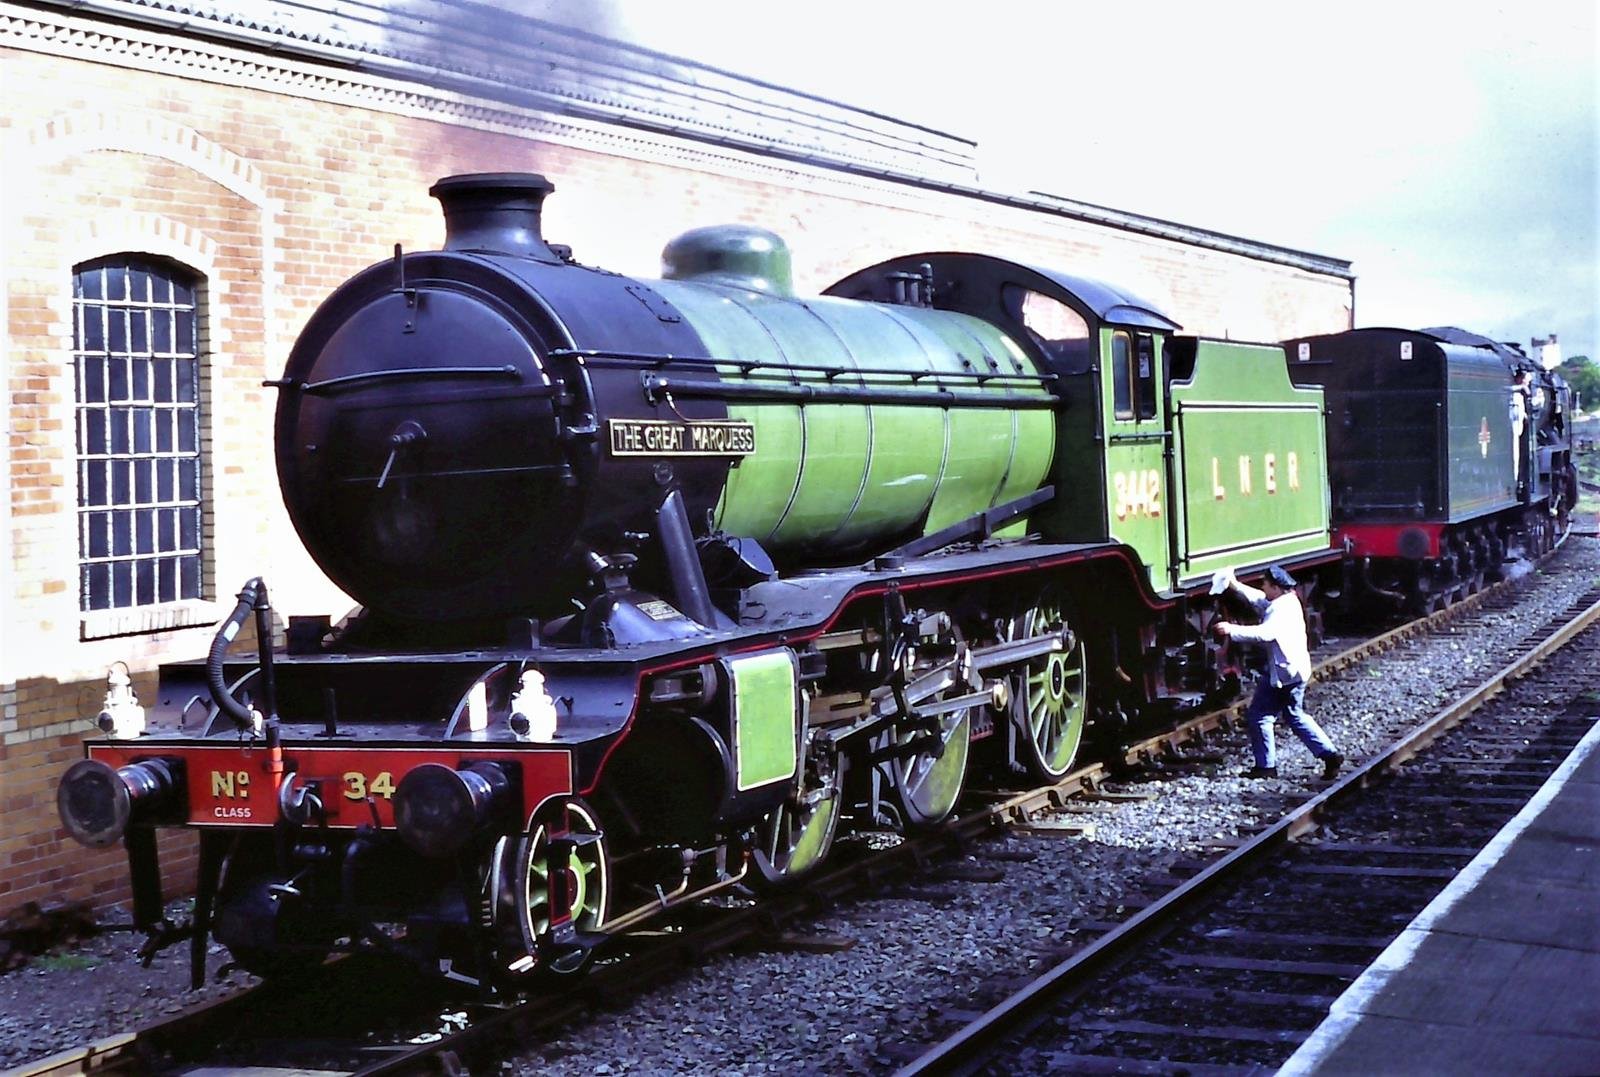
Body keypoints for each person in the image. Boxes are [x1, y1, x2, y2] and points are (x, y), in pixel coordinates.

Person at [1210, 565, 1344, 780]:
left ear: (1275, 586)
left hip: (1284, 674)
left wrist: (1231, 630)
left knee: (1260, 715)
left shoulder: (1279, 609)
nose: (1262, 588)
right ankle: (1329, 755)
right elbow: (1260, 600)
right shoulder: (1289, 601)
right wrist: (1235, 585)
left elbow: (1266, 634)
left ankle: (1266, 767)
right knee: (1295, 714)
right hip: (1297, 670)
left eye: (1265, 584)